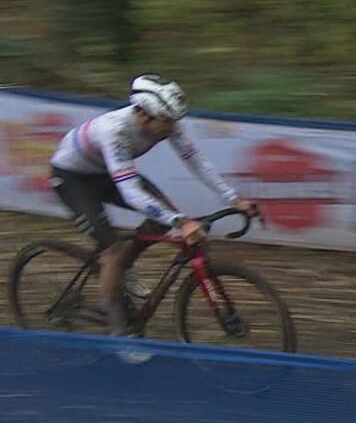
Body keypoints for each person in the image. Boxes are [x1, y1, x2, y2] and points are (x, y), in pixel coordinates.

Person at [48, 74, 257, 335]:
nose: (172, 128)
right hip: (73, 179)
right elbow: (131, 193)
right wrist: (181, 221)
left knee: (163, 217)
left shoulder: (166, 122)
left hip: (105, 173)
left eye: (174, 121)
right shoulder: (114, 131)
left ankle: (123, 267)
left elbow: (195, 160)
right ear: (143, 114)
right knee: (112, 249)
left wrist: (234, 198)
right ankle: (112, 319)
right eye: (166, 122)